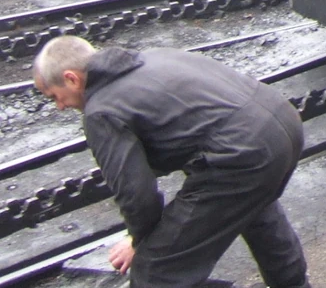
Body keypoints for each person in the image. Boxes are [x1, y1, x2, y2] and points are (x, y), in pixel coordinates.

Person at [33, 36, 310, 288]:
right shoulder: (155, 55)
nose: (60, 106)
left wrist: (141, 242)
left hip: (242, 153)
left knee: (157, 272)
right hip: (282, 122)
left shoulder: (100, 111)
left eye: (54, 97)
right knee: (256, 212)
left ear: (71, 79)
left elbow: (136, 194)